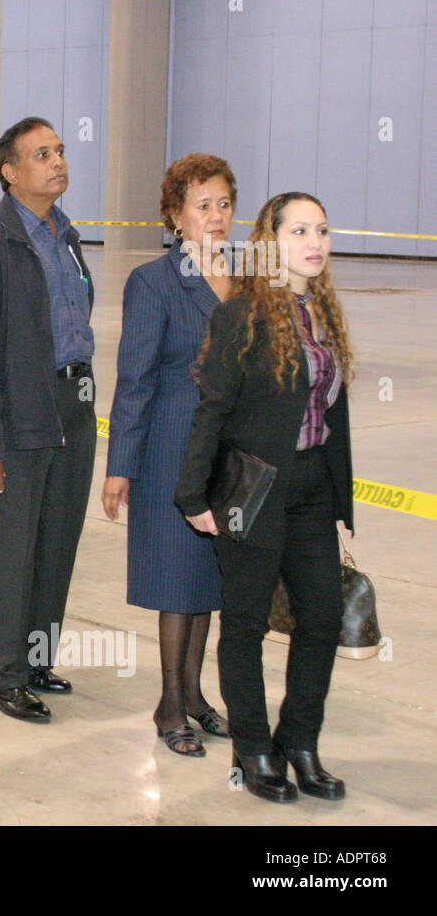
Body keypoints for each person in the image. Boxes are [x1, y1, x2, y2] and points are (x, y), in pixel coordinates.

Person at [175, 192, 354, 803]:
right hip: (253, 490)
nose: (315, 242)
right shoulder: (243, 313)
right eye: (299, 230)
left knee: (323, 617)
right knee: (246, 622)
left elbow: (331, 410)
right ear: (270, 242)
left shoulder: (322, 312)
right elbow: (214, 407)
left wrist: (340, 498)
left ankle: (299, 742)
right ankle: (252, 748)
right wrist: (193, 491)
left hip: (311, 490)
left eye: (322, 230)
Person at [0, 116, 96, 722]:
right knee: (8, 551)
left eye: (58, 151)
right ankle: (4, 676)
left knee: (54, 546)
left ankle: (36, 658)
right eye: (41, 154)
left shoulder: (66, 236)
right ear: (10, 172)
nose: (57, 162)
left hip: (73, 412)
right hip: (13, 419)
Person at [102, 154, 236, 757]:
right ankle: (169, 706)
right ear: (175, 217)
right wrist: (120, 467)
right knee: (177, 581)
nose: (215, 217)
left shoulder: (244, 281)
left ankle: (196, 693)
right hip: (170, 454)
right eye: (202, 206)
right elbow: (135, 381)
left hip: (227, 461)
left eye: (224, 204)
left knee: (209, 582)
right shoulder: (154, 283)